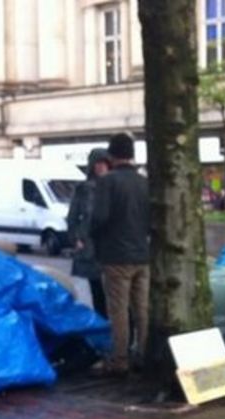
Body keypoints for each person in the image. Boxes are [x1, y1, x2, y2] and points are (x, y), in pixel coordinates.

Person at [91, 133, 150, 380]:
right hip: (142, 255)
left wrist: (95, 238)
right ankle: (145, 354)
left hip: (116, 256)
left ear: (112, 155)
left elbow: (99, 219)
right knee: (142, 309)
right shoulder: (144, 182)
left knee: (118, 311)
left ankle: (120, 359)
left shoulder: (107, 182)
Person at [68, 148, 110, 318]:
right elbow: (73, 216)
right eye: (97, 164)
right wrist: (76, 238)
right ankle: (102, 322)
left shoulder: (114, 186)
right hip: (90, 245)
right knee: (96, 288)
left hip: (111, 245)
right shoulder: (83, 189)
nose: (100, 168)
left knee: (116, 291)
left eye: (104, 164)